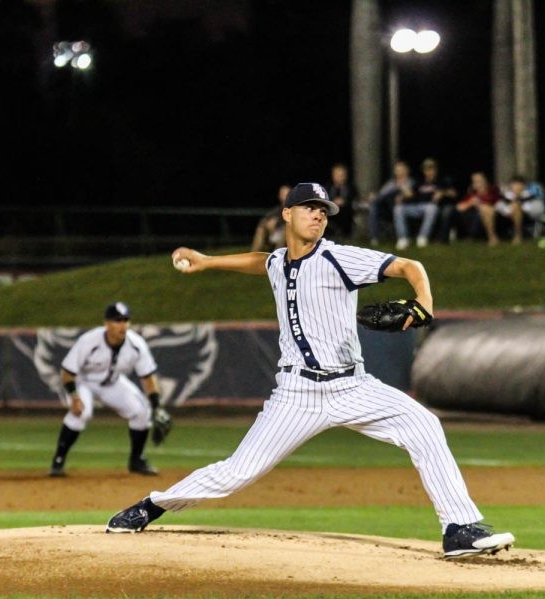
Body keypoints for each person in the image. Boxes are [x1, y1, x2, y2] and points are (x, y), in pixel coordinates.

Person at [106, 182, 516, 559]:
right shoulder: (279, 262)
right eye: (309, 207)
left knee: (424, 425)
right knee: (238, 472)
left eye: (324, 210)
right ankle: (151, 505)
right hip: (296, 396)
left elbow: (410, 266)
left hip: (352, 387)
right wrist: (208, 261)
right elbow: (263, 261)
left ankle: (458, 528)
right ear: (286, 214)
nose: (319, 215)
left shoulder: (338, 256)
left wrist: (423, 302)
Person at [49, 302, 166, 477]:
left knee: (142, 411)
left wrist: (157, 407)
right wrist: (74, 397)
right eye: (117, 320)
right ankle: (58, 461)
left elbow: (148, 377)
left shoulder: (136, 344)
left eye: (125, 320)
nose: (123, 325)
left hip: (113, 383)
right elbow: (67, 373)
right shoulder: (89, 341)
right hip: (84, 382)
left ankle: (137, 461)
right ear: (106, 323)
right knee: (82, 412)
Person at [393, 157, 452, 250]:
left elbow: (453, 193)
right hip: (415, 206)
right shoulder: (419, 181)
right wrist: (403, 195)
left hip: (429, 207)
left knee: (432, 208)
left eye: (431, 169)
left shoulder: (441, 181)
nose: (429, 171)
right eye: (426, 169)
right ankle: (403, 238)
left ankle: (422, 237)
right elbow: (411, 194)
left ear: (435, 170)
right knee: (398, 208)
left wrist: (442, 193)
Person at [369, 160, 414, 246]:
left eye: (401, 170)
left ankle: (403, 238)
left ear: (406, 170)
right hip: (388, 209)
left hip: (403, 208)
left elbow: (411, 195)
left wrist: (401, 190)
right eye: (397, 170)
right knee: (374, 206)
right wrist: (374, 197)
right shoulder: (391, 183)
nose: (399, 172)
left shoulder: (410, 182)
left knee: (395, 199)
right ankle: (374, 237)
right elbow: (381, 194)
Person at [496, 175, 545, 243]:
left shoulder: (531, 196)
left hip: (527, 221)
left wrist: (521, 206)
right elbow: (498, 206)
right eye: (514, 185)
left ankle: (518, 235)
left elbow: (540, 210)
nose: (516, 187)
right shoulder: (505, 197)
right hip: (507, 220)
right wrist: (511, 209)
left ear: (524, 186)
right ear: (510, 186)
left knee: (517, 207)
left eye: (519, 185)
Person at [251, 184, 292, 252]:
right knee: (261, 228)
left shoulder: (295, 208)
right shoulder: (278, 210)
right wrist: (268, 225)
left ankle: (277, 259)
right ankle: (254, 254)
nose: (285, 197)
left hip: (291, 236)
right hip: (275, 234)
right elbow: (264, 221)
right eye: (282, 194)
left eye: (287, 194)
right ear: (279, 196)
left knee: (283, 232)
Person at [325, 163, 357, 239]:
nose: (339, 178)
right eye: (337, 175)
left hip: (345, 211)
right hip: (330, 210)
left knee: (345, 212)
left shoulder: (350, 187)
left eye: (341, 175)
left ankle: (345, 235)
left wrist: (344, 201)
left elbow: (353, 199)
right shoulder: (328, 187)